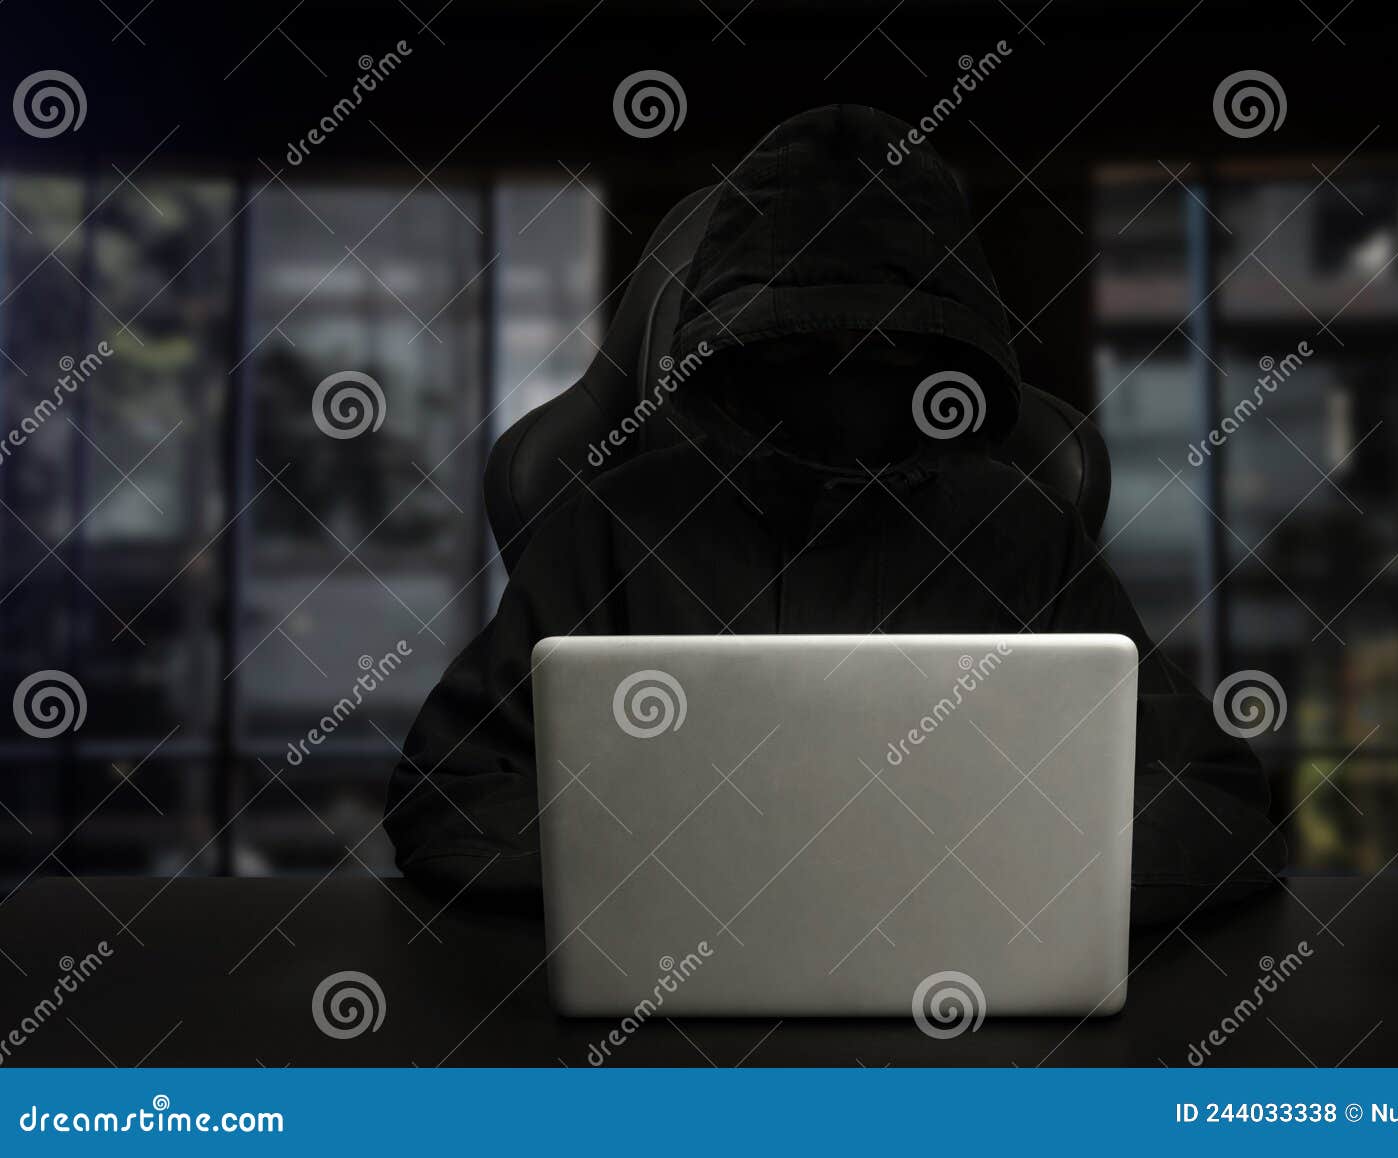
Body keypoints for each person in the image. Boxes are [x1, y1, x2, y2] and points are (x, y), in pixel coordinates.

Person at [385, 105, 1284, 926]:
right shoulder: (613, 527)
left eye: (883, 349)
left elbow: (1216, 805)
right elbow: (451, 795)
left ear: (944, 353)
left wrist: (1003, 872)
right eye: (803, 348)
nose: (843, 380)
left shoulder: (1018, 534)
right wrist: (683, 874)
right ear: (729, 354)